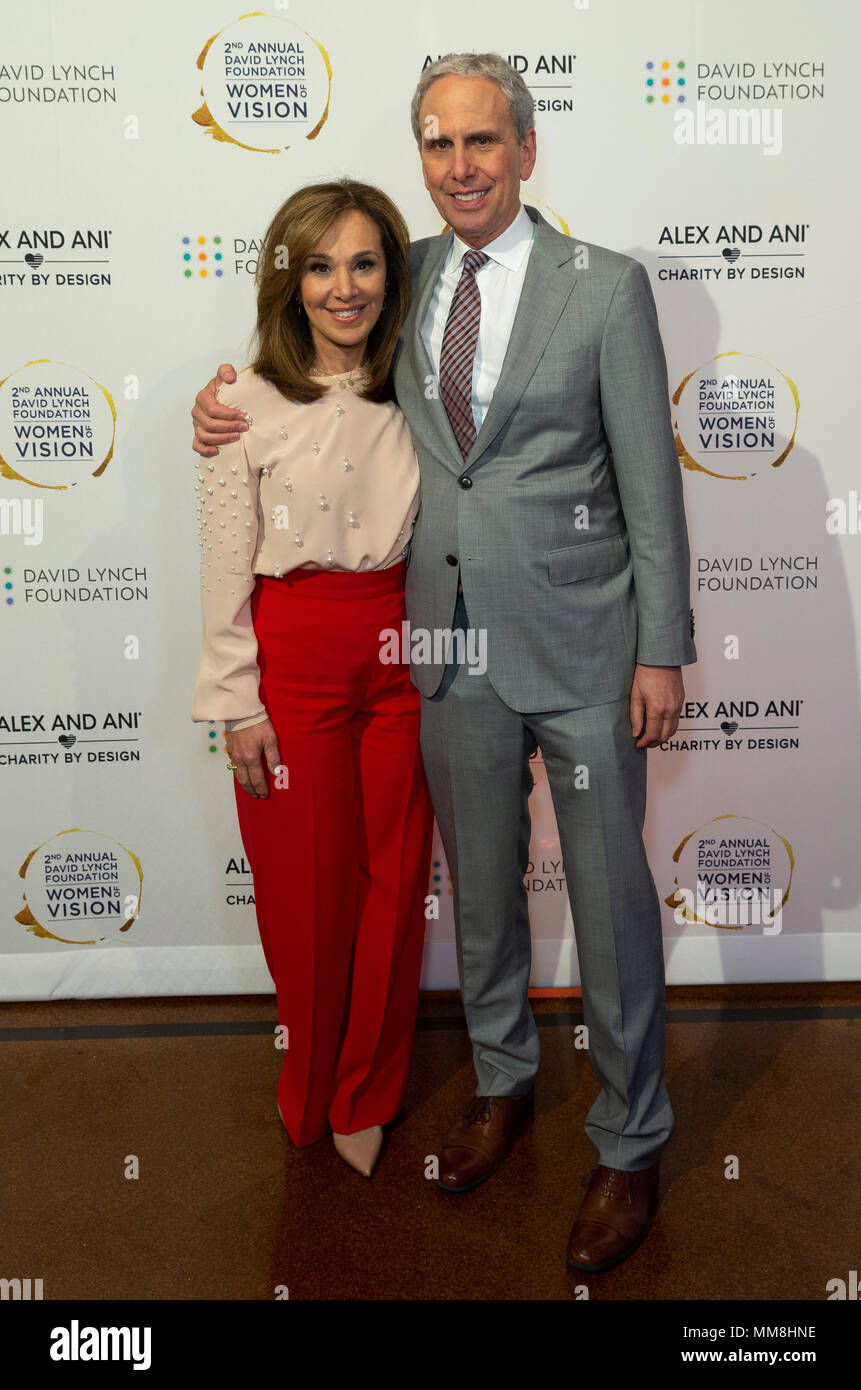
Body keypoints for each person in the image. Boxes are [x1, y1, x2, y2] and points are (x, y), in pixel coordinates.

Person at [192, 52, 696, 1272]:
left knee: (612, 905)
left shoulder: (604, 287)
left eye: (481, 141)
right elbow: (319, 377)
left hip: (584, 646)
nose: (458, 165)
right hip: (444, 646)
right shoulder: (403, 280)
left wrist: (661, 649)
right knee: (477, 896)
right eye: (436, 143)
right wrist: (222, 403)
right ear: (419, 158)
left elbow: (648, 482)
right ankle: (504, 1082)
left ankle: (629, 1142)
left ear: (527, 149)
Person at [191, 178, 434, 1178]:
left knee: (393, 878)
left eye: (365, 262)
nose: (344, 287)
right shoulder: (236, 406)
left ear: (392, 275)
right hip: (290, 656)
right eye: (321, 265)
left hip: (402, 651)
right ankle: (309, 1081)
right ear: (287, 281)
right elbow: (220, 561)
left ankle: (365, 1091)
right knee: (306, 889)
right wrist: (233, 700)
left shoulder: (422, 387)